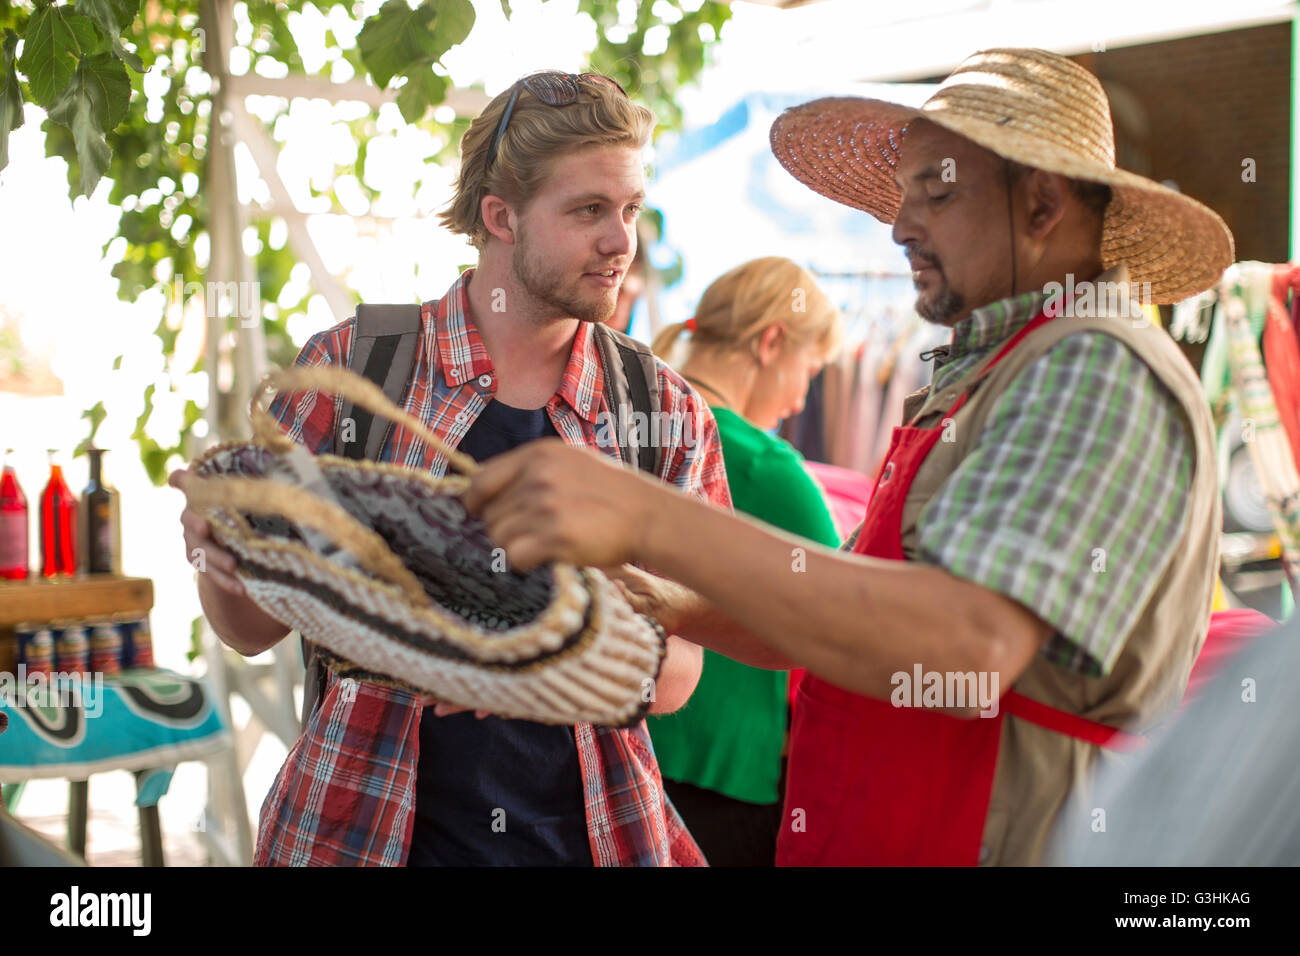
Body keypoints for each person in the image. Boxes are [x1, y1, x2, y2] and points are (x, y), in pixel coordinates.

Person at [460, 48, 1236, 866]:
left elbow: (967, 643)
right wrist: (672, 605)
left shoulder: (1093, 366)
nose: (900, 225)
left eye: (935, 193)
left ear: (1042, 204)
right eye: (904, 196)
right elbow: (857, 618)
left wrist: (645, 516)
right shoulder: (996, 377)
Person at [170, 70, 732, 866]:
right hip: (356, 832)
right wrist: (218, 545)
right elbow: (250, 631)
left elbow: (680, 674)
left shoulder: (663, 411)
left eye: (631, 210)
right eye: (588, 212)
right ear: (499, 217)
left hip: (599, 838)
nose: (621, 242)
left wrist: (526, 643)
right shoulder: (358, 374)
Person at [645, 257, 842, 866]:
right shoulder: (763, 463)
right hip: (720, 778)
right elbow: (846, 616)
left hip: (615, 749)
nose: (801, 397)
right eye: (808, 372)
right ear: (772, 341)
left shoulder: (629, 414)